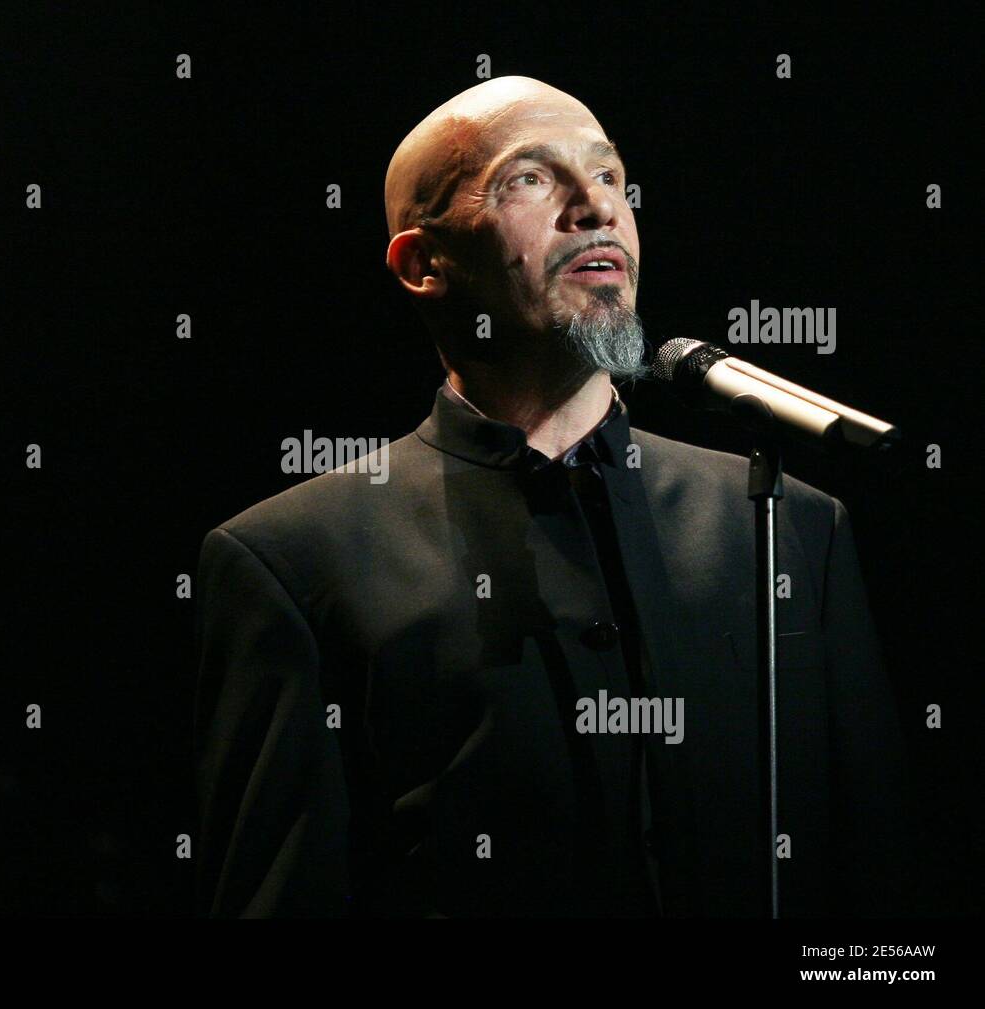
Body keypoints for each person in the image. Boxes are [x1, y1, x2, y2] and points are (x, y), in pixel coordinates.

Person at [192, 76, 912, 917]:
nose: (595, 208)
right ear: (423, 263)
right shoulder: (293, 558)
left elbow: (883, 890)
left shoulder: (789, 524)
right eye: (530, 178)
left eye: (609, 177)